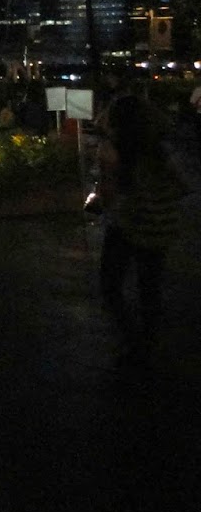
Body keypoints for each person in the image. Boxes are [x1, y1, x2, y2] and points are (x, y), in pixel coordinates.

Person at [96, 90, 183, 364]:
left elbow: (108, 196)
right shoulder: (159, 146)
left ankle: (133, 341)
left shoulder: (111, 148)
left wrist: (102, 201)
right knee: (150, 286)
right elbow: (181, 184)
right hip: (160, 223)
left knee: (111, 284)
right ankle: (150, 342)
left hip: (127, 223)